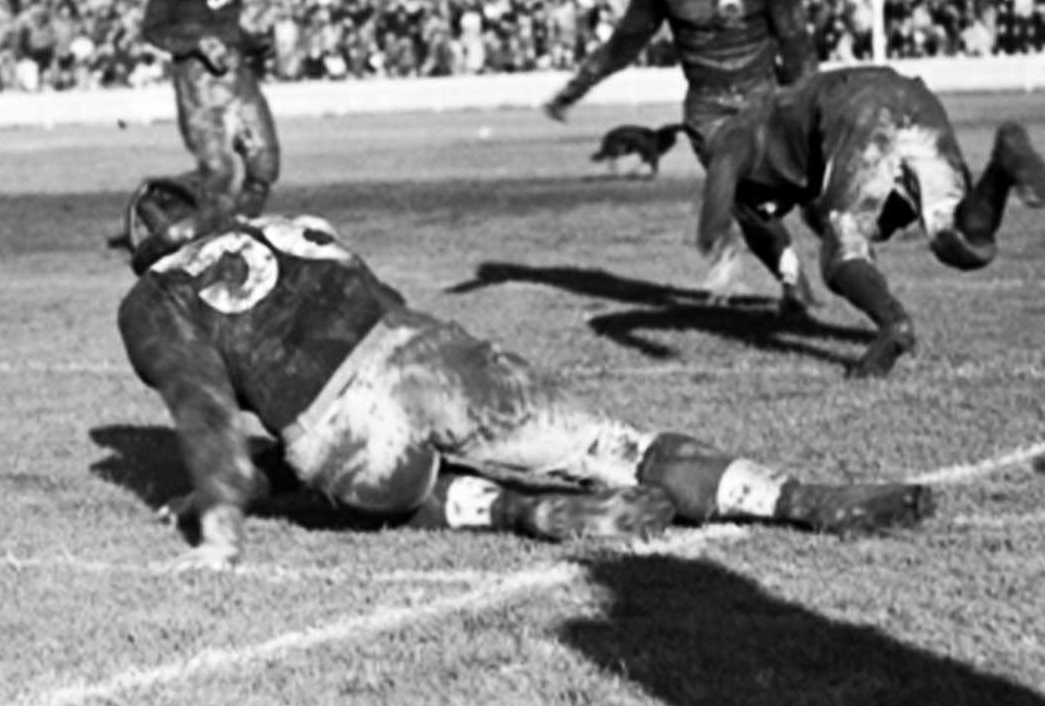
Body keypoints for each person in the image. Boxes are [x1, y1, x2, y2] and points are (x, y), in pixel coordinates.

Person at [114, 178, 934, 570]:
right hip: (414, 352)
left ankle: (526, 513)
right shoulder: (295, 226)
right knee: (615, 445)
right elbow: (371, 305)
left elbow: (204, 406)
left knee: (377, 485)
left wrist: (219, 514)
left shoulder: (153, 299)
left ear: (147, 254)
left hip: (339, 436)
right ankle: (800, 500)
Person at [544, 0, 820, 313]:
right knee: (740, 192)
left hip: (764, 95)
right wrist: (574, 90)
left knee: (786, 195)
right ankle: (790, 276)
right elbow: (624, 43)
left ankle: (828, 259)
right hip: (708, 107)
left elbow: (795, 38)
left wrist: (807, 101)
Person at [697, 66, 1045, 377]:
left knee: (839, 251)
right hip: (916, 99)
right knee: (958, 239)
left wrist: (715, 238)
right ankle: (1003, 167)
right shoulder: (790, 132)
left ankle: (893, 325)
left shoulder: (741, 129)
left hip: (860, 107)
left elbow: (725, 162)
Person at [141, 0, 279, 224]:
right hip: (197, 78)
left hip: (236, 72)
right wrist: (197, 43)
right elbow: (154, 29)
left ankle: (240, 227)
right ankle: (157, 208)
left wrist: (252, 41)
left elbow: (224, 23)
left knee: (265, 163)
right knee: (217, 171)